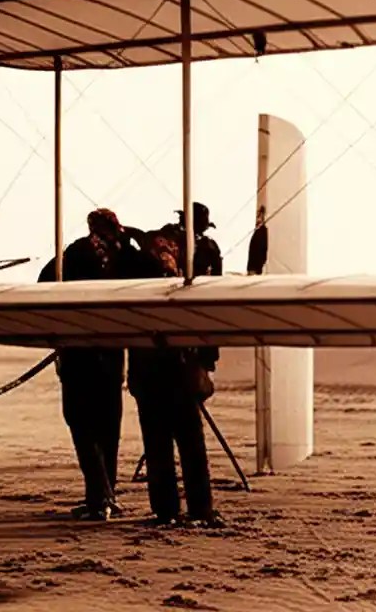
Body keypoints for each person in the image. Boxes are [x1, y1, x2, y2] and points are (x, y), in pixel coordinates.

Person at [38, 208, 140, 521]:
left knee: (82, 425)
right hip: (109, 356)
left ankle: (100, 496)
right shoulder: (126, 260)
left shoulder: (74, 255)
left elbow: (43, 284)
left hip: (79, 356)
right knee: (108, 428)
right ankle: (104, 494)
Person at [127, 202, 224, 527]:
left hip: (148, 362)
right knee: (190, 443)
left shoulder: (144, 253)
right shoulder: (204, 252)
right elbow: (212, 312)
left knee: (157, 443)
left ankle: (166, 509)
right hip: (180, 362)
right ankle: (200, 508)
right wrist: (207, 362)